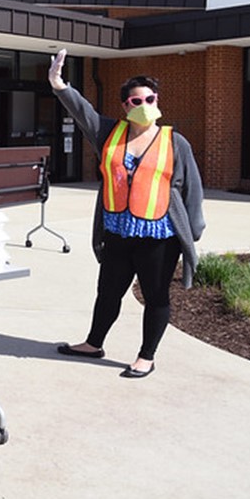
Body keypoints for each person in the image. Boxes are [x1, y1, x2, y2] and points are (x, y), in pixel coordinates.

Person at [48, 49, 205, 378]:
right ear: (125, 106)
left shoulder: (175, 142)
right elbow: (83, 112)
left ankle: (146, 356)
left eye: (150, 99)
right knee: (108, 291)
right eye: (137, 101)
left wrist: (193, 230)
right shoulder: (109, 134)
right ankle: (93, 343)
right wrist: (59, 85)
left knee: (155, 295)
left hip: (159, 237)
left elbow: (192, 189)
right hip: (118, 233)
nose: (145, 106)